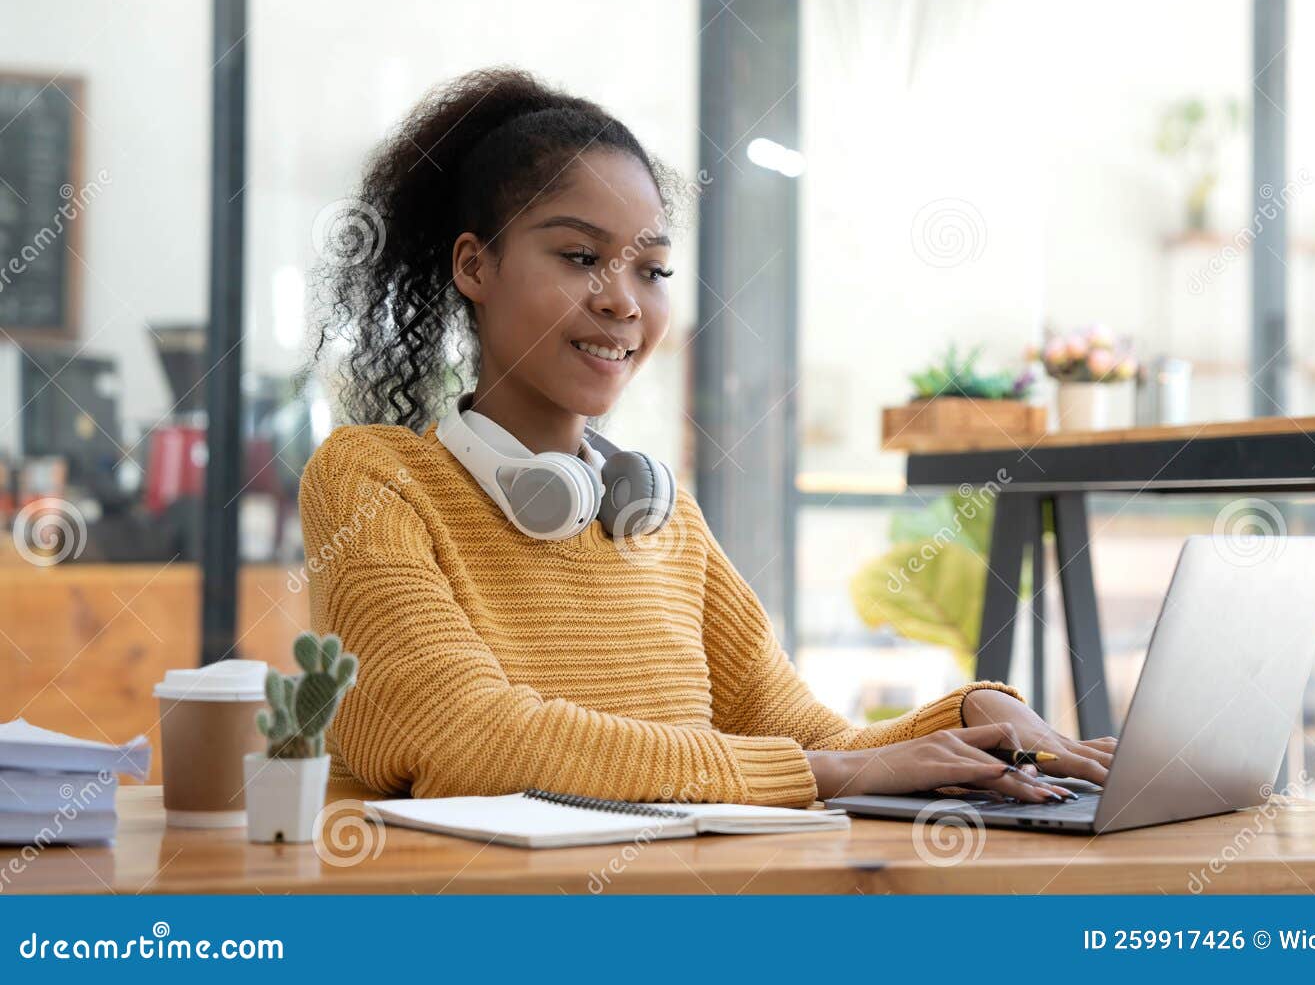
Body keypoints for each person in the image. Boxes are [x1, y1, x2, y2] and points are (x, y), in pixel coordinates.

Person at [300, 66, 1116, 805]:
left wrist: (977, 713)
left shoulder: (663, 522)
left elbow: (807, 736)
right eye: (580, 255)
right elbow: (463, 737)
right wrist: (828, 773)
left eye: (652, 269)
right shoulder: (372, 479)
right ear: (475, 266)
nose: (624, 301)